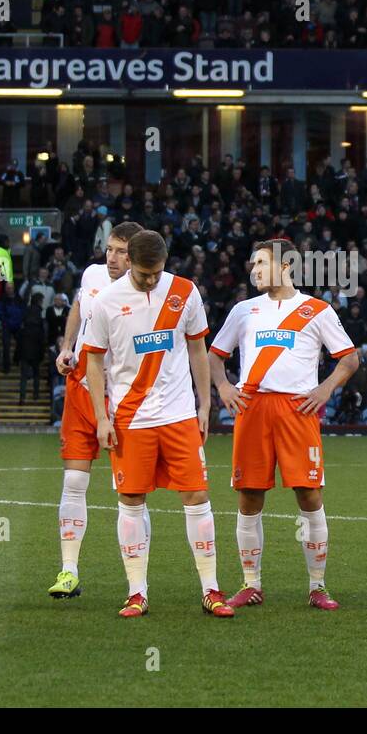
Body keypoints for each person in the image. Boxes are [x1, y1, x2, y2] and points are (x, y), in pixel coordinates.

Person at [81, 229, 230, 618]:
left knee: (197, 496)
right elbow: (94, 361)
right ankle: (136, 592)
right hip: (130, 417)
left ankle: (211, 590)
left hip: (179, 414)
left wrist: (204, 403)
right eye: (145, 273)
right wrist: (100, 417)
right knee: (131, 499)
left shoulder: (184, 291)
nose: (151, 280)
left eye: (157, 273)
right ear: (128, 260)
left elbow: (198, 347)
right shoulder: (107, 302)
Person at [209, 239, 359, 611]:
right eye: (253, 264)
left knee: (309, 494)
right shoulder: (244, 310)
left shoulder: (317, 309)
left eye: (261, 263)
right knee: (249, 495)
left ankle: (318, 586)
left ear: (286, 265)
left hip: (298, 410)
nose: (254, 270)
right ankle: (251, 584)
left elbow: (349, 358)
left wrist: (325, 389)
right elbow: (215, 355)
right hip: (253, 409)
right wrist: (225, 386)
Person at [46, 221, 140, 599]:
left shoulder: (146, 293)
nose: (112, 257)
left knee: (130, 492)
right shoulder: (92, 275)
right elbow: (79, 308)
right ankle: (68, 571)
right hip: (82, 385)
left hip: (120, 395)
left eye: (121, 251)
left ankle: (137, 583)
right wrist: (67, 347)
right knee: (73, 481)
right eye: (110, 249)